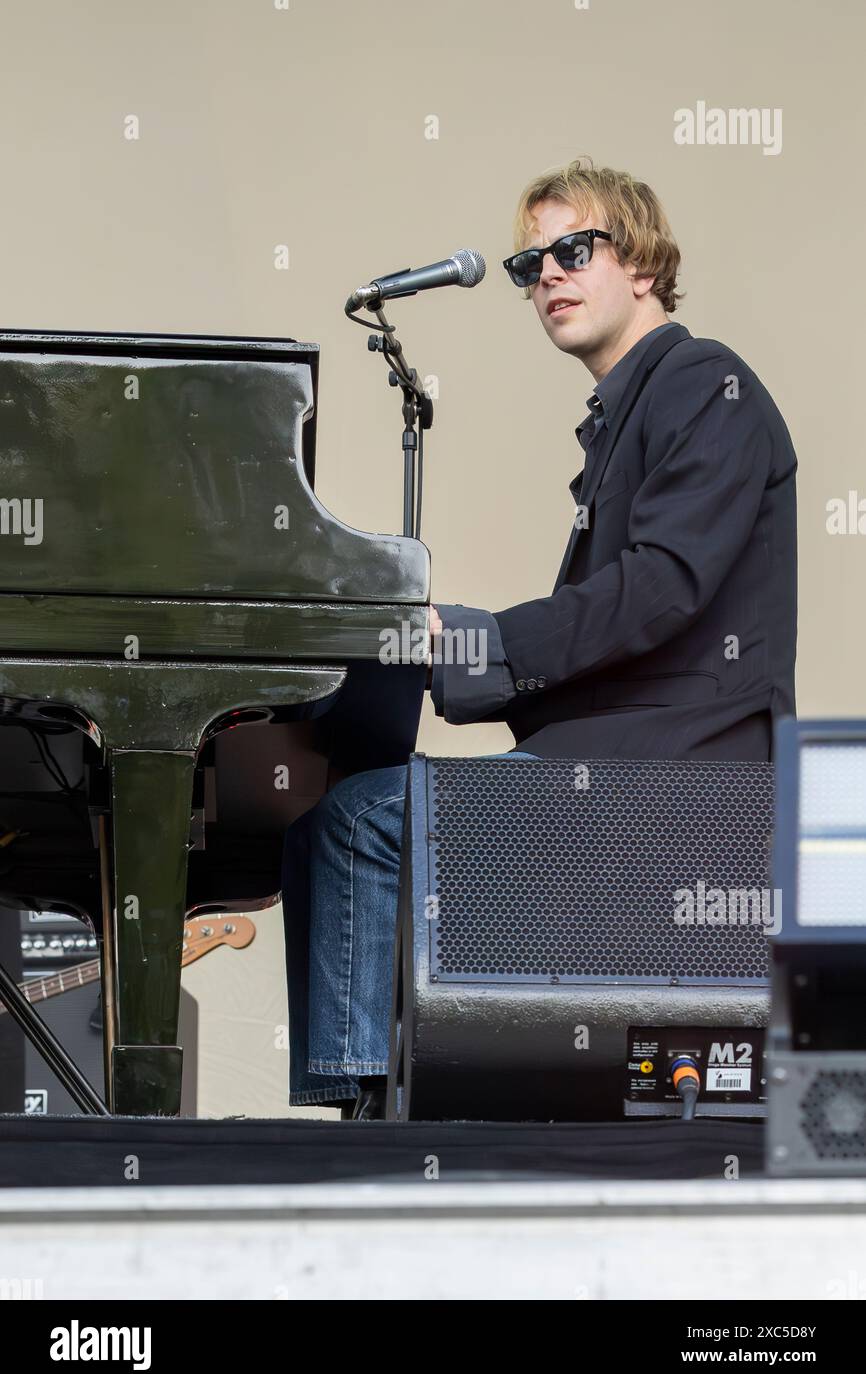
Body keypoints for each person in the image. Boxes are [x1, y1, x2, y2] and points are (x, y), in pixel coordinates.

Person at [282, 155, 797, 1117]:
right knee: (345, 810)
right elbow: (614, 640)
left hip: (685, 794)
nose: (548, 275)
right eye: (530, 266)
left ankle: (358, 1125)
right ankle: (384, 1099)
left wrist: (472, 638)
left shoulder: (703, 383)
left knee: (360, 821)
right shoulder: (631, 415)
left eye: (572, 248)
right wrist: (454, 644)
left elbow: (660, 591)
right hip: (631, 772)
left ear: (640, 261)